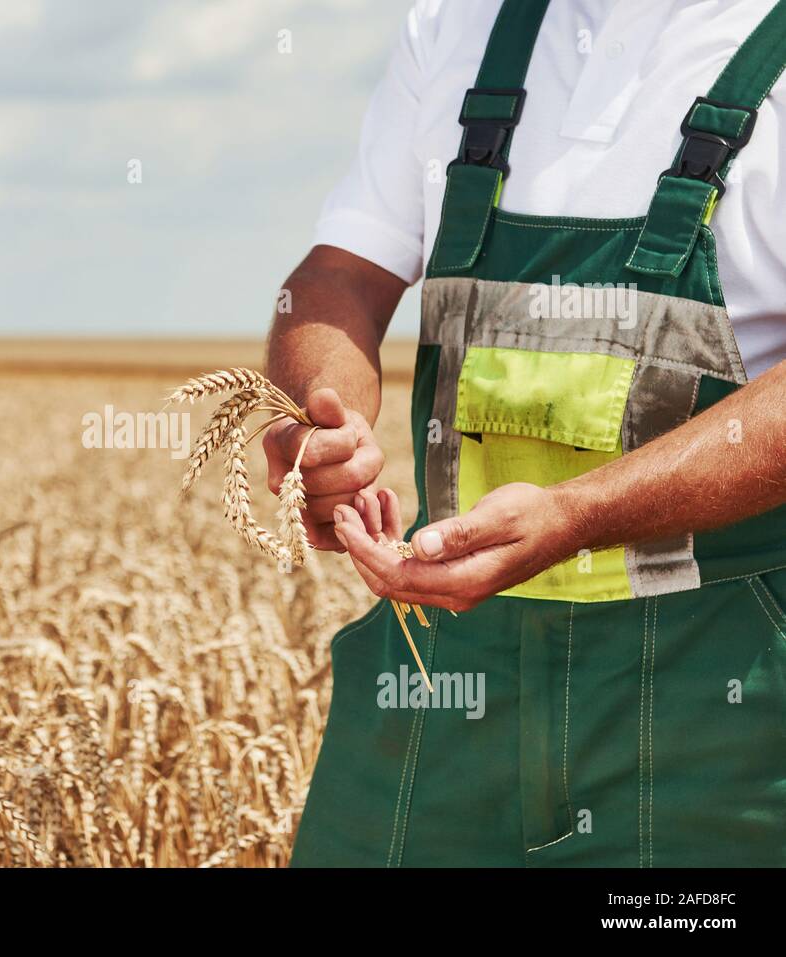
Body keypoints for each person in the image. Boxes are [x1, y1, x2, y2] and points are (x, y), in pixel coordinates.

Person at [268, 0, 786, 866]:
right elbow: (338, 275)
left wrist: (574, 515)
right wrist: (319, 418)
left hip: (721, 716)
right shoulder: (452, 26)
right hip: (440, 689)